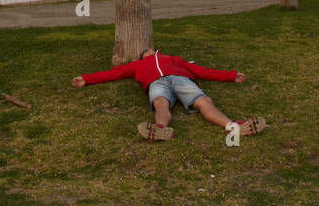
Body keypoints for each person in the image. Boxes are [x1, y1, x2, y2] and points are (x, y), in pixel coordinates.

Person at [72, 46, 267, 146]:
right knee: (160, 102)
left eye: (153, 49)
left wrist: (230, 76)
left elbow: (201, 70)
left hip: (181, 79)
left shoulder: (173, 59)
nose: (152, 50)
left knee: (204, 101)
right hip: (156, 83)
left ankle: (233, 127)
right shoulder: (137, 65)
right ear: (143, 56)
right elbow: (115, 73)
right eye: (148, 51)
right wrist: (87, 79)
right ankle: (160, 129)